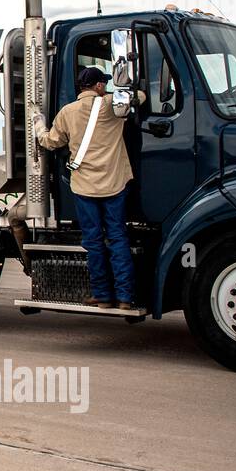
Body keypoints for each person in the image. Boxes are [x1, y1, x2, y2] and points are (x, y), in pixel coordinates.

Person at [33, 66, 145, 309]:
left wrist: (39, 127)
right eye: (103, 83)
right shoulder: (111, 105)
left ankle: (102, 296)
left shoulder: (67, 112)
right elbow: (141, 97)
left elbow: (51, 142)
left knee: (93, 241)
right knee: (117, 238)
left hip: (84, 188)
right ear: (98, 86)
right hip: (114, 184)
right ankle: (125, 297)